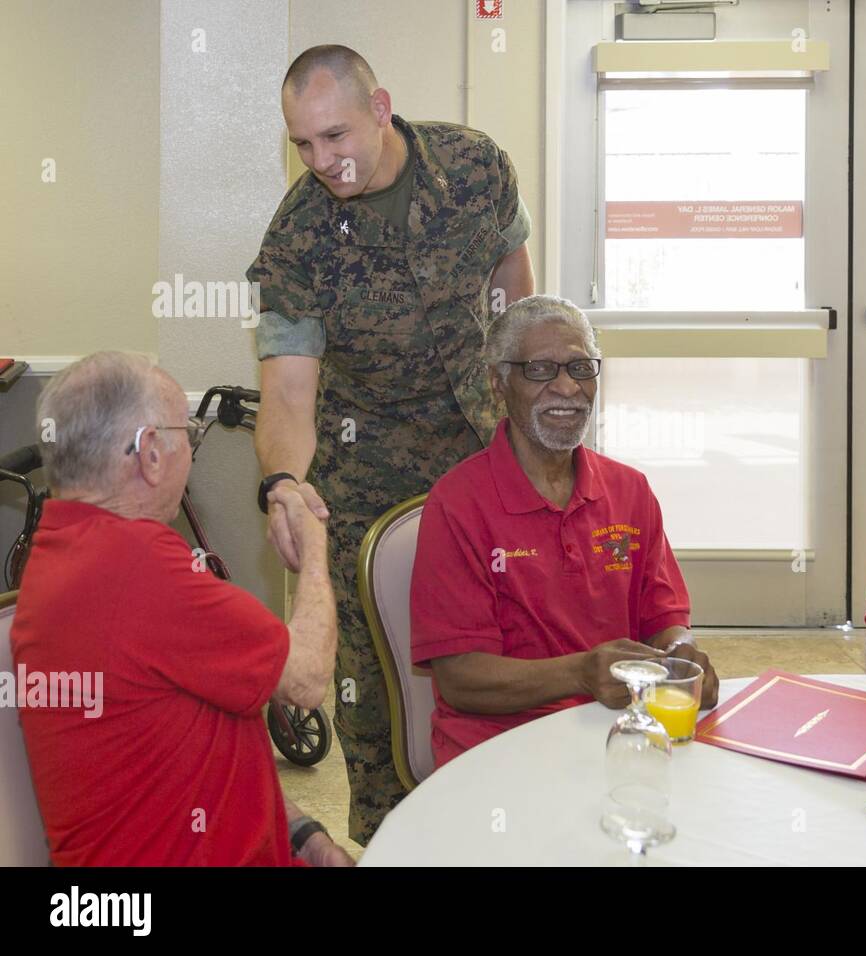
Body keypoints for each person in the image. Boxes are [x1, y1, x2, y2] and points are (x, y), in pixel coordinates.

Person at [247, 44, 534, 842]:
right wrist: (281, 482)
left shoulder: (475, 168)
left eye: (335, 136)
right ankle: (393, 845)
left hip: (485, 463)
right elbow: (289, 392)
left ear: (381, 108)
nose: (321, 161)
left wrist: (536, 415)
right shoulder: (299, 237)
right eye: (303, 144)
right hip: (363, 475)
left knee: (503, 663)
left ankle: (507, 835)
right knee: (371, 701)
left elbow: (516, 294)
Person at [10, 352, 352, 865]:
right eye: (188, 437)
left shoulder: (65, 550)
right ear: (149, 453)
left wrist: (304, 835)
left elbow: (203, 747)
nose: (191, 453)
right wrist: (315, 544)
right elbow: (306, 678)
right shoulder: (136, 567)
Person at [409, 296, 720, 765]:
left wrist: (681, 654)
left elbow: (665, 619)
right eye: (540, 370)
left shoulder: (629, 491)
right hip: (499, 755)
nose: (567, 387)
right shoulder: (457, 505)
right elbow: (460, 679)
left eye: (580, 367)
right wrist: (580, 673)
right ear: (499, 382)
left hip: (617, 735)